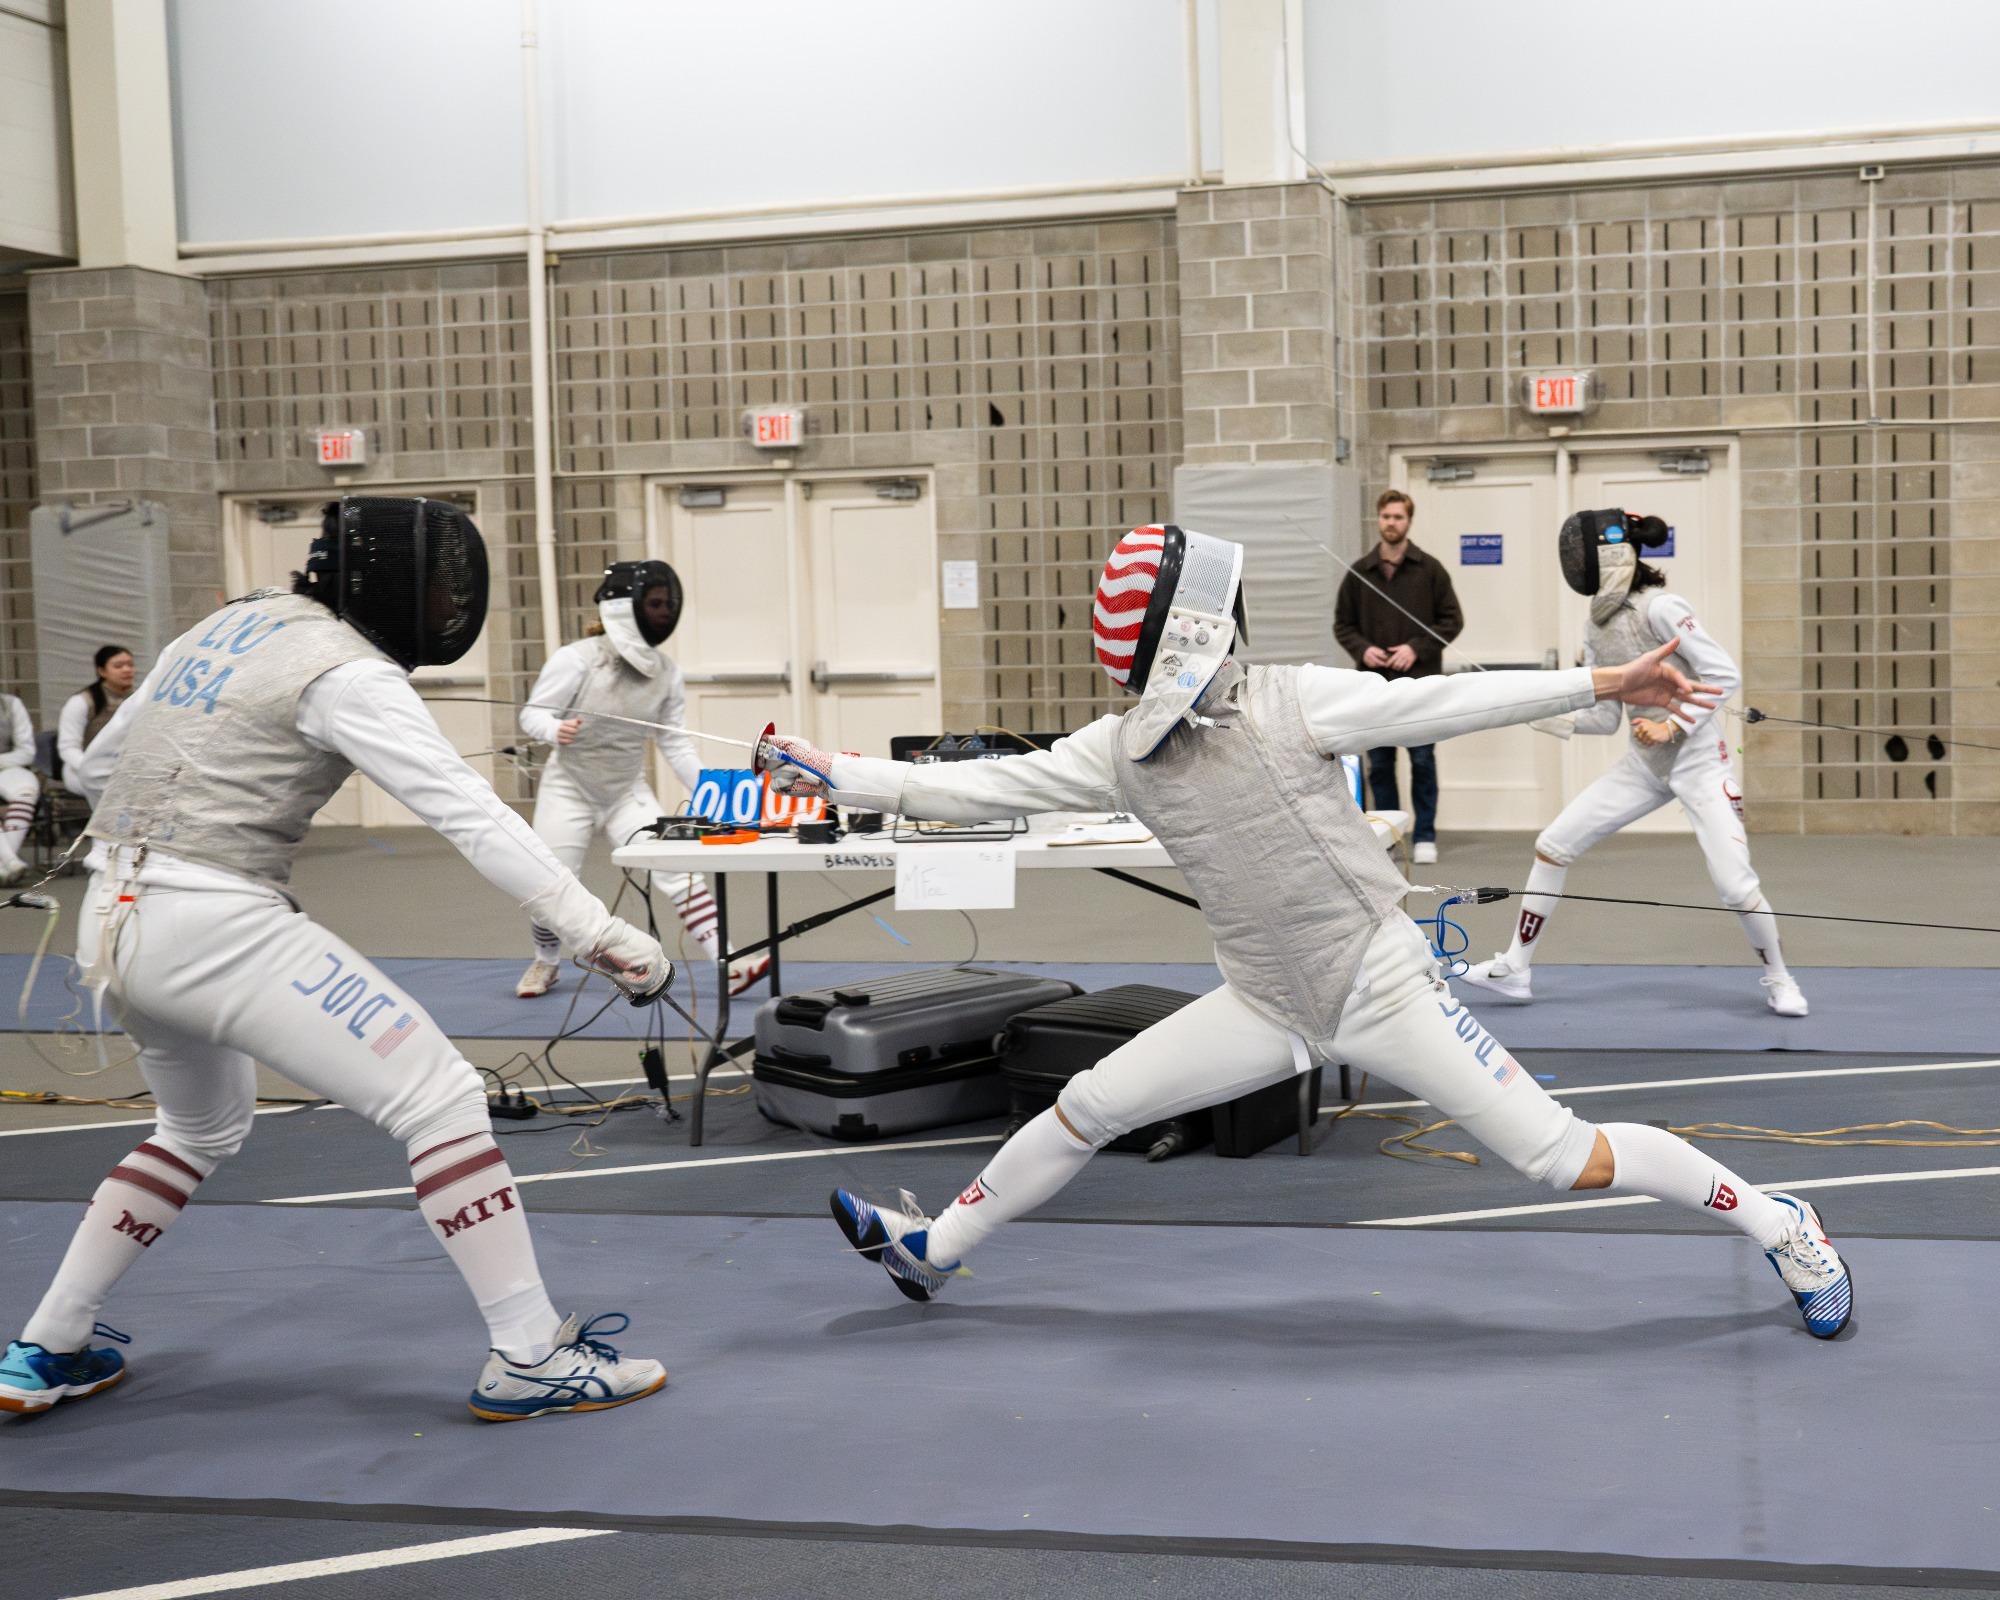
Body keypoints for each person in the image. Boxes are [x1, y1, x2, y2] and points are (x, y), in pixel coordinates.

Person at [759, 523, 1851, 1340]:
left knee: (1563, 1157)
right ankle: (933, 1248)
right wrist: (836, 771)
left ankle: (1781, 1223)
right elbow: (974, 788)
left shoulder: (1292, 701)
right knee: (1086, 1105)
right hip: (1263, 1001)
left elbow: (1444, 704)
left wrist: (1609, 679)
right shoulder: (1118, 751)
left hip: (1381, 986)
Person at [0, 497, 672, 1421]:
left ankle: (50, 1344)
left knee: (198, 1130)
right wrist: (602, 934)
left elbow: (98, 769)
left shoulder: (227, 624)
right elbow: (470, 815)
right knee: (442, 1097)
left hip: (111, 920)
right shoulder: (348, 671)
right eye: (439, 587)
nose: (448, 605)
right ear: (395, 582)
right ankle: (528, 1356)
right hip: (213, 923)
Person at [1458, 509, 1808, 1019]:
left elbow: (1723, 673)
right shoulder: (1596, 627)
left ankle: (1779, 977)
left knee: (1735, 886)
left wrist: (1672, 726)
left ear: (1610, 554)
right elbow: (1605, 718)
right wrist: (1539, 712)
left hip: (1699, 762)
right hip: (1645, 766)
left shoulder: (1660, 607)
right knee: (1553, 845)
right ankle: (1514, 969)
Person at [515, 559, 768, 1000]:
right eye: (655, 603)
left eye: (669, 604)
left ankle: (728, 962)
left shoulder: (667, 672)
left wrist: (715, 793)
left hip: (626, 791)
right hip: (569, 786)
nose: (665, 611)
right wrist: (553, 729)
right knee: (552, 881)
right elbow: (531, 714)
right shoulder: (577, 660)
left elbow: (675, 744)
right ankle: (546, 961)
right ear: (624, 606)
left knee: (676, 869)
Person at [1334, 490, 1462, 866]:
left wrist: (1416, 649)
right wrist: (1363, 650)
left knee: (1422, 761)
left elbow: (1451, 621)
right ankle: (1390, 836)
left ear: (1409, 521)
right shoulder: (1360, 572)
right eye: (1386, 516)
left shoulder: (1430, 570)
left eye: (1399, 517)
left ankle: (1425, 837)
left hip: (1420, 685)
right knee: (1380, 765)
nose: (1392, 523)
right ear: (1379, 519)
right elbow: (1343, 624)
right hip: (1375, 686)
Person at [57, 644, 137, 805]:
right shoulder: (82, 702)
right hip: (81, 769)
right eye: (118, 666)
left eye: (130, 665)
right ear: (102, 671)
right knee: (116, 795)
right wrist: (90, 768)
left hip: (125, 768)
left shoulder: (139, 699)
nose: (127, 670)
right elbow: (68, 748)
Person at [0, 686, 37, 885]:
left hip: (6, 766)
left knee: (26, 790)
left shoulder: (11, 705)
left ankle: (3, 865)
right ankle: (11, 861)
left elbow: (26, 752)